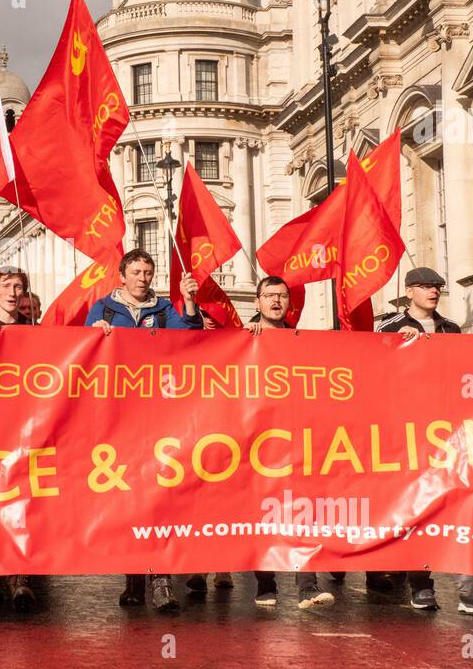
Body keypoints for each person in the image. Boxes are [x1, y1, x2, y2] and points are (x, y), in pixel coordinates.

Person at [377, 267, 473, 615]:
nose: (433, 291)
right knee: (420, 511)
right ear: (409, 291)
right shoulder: (389, 328)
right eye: (426, 286)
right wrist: (393, 346)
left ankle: (470, 592)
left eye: (437, 287)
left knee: (463, 506)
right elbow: (377, 376)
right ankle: (421, 586)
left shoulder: (450, 329)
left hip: (450, 433)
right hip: (410, 435)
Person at [89, 248, 201, 612]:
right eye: (136, 271)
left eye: (148, 272)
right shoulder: (104, 309)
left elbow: (190, 338)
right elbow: (83, 351)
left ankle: (163, 582)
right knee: (129, 503)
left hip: (159, 418)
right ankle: (134, 582)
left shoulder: (164, 309)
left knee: (161, 500)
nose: (143, 278)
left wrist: (189, 303)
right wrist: (94, 334)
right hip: (118, 421)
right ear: (122, 276)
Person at [227, 275, 338, 610]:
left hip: (297, 442)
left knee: (303, 513)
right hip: (258, 444)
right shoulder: (242, 339)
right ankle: (265, 584)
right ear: (258, 301)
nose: (276, 301)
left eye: (282, 295)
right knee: (262, 515)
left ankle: (307, 586)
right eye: (269, 295)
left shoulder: (301, 339)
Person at [0, 266, 37, 611]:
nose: (14, 292)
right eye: (7, 286)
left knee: (24, 503)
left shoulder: (36, 333)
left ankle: (20, 579)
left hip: (27, 430)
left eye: (19, 287)